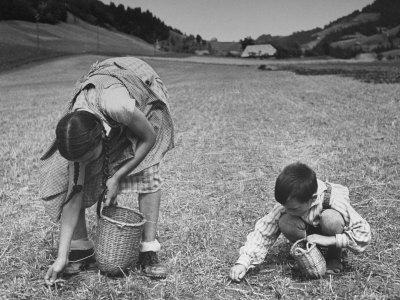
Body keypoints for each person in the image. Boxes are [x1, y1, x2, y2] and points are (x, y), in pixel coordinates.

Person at [39, 57, 174, 285]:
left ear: (102, 137)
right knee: (68, 180)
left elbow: (149, 137)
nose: (84, 164)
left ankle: (148, 249)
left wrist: (117, 176)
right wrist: (61, 257)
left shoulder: (119, 106)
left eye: (89, 158)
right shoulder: (76, 129)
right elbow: (74, 196)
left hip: (140, 89)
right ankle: (81, 249)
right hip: (105, 103)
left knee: (147, 170)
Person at [229, 162, 371, 282]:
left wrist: (328, 240)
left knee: (331, 219)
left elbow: (363, 234)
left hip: (329, 232)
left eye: (293, 208)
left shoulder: (333, 199)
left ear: (312, 198)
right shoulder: (288, 204)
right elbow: (263, 232)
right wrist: (243, 262)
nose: (287, 210)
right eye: (285, 206)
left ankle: (333, 256)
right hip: (306, 232)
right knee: (284, 221)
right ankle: (308, 253)